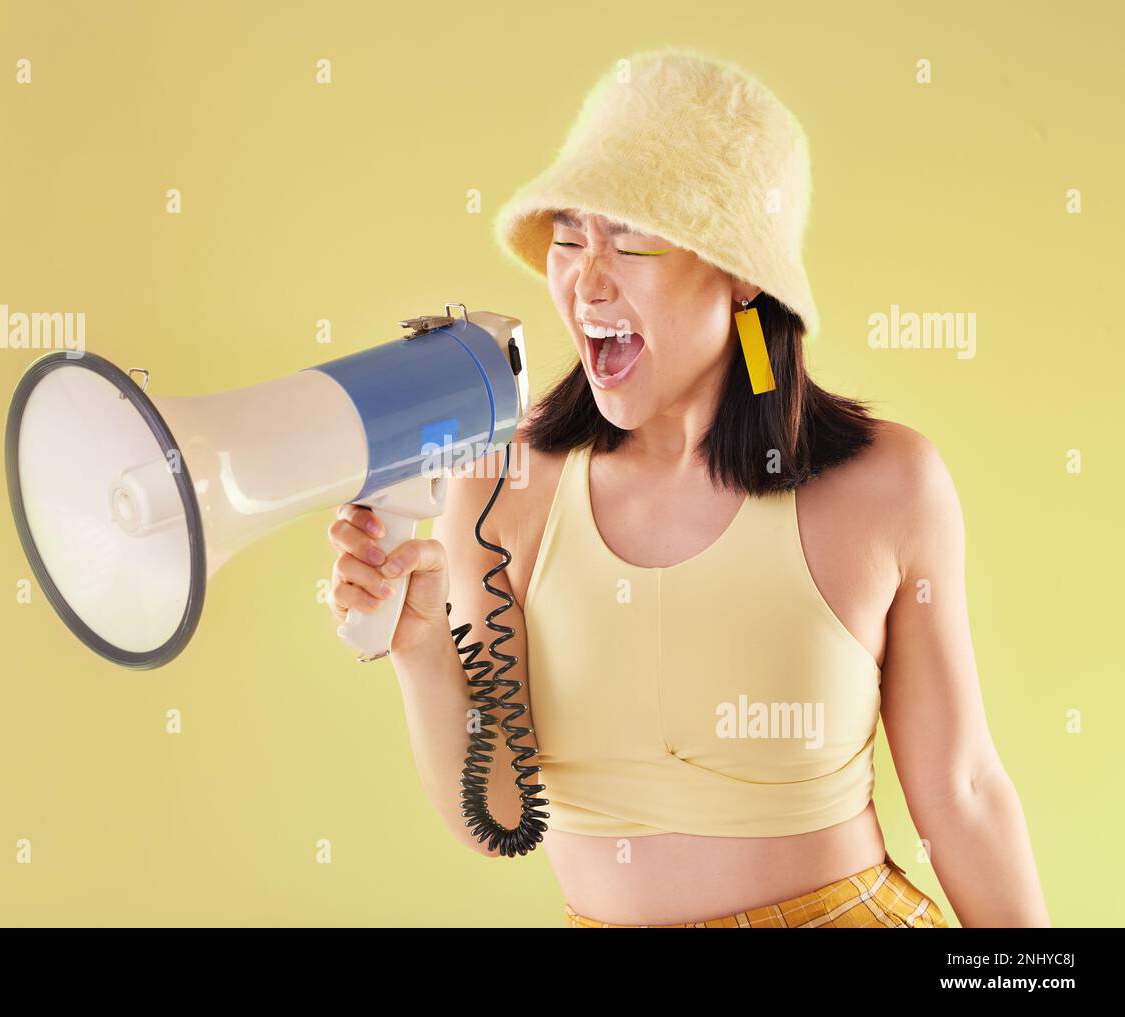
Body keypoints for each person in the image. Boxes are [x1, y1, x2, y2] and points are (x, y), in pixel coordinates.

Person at [326, 47, 1049, 928]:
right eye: (568, 236)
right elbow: (503, 816)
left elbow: (962, 790)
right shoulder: (499, 483)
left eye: (631, 237)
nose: (588, 279)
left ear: (743, 274)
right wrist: (418, 649)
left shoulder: (888, 486)